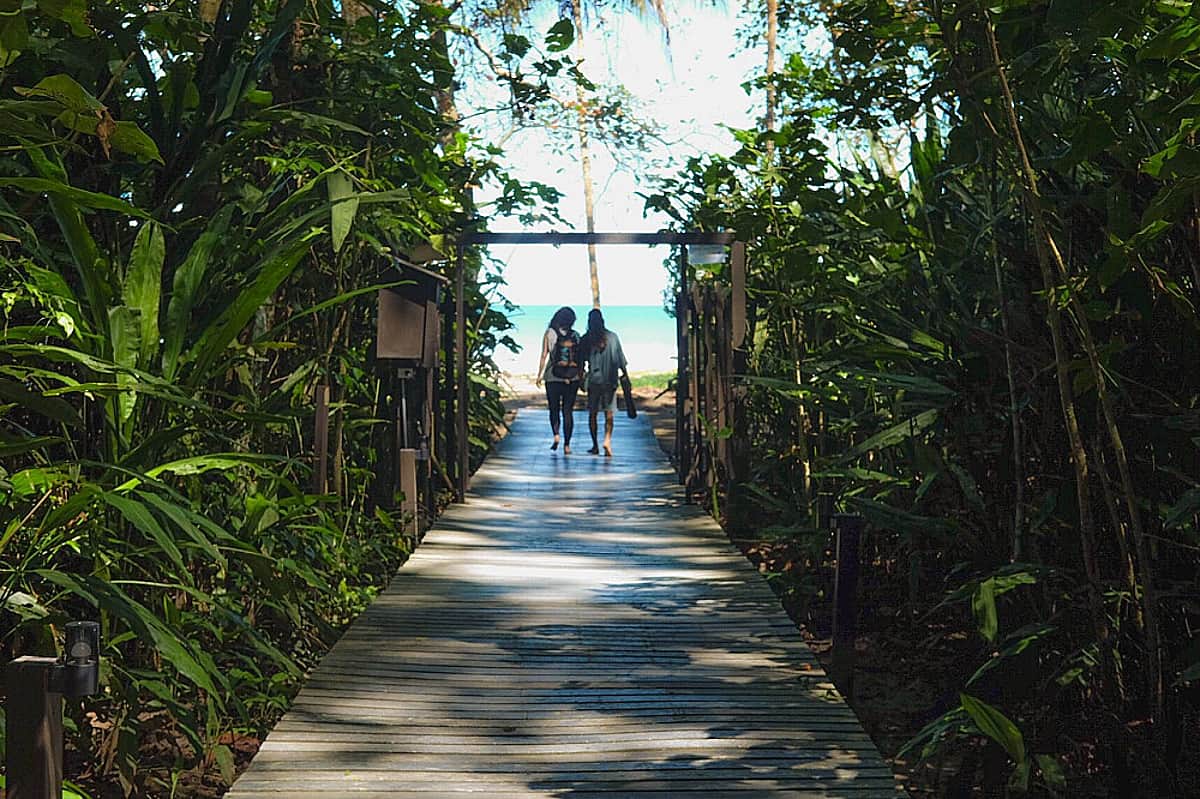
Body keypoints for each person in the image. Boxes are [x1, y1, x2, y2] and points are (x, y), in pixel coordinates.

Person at [579, 308, 628, 457]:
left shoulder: (586, 338)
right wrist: (627, 377)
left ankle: (595, 445)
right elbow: (621, 361)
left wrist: (581, 378)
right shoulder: (613, 337)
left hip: (594, 380)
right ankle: (607, 440)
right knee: (609, 412)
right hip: (610, 380)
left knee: (592, 414)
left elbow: (580, 361)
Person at [535, 306, 582, 454]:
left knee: (554, 409)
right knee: (568, 411)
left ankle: (556, 436)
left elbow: (544, 355)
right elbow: (580, 358)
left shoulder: (549, 333)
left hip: (552, 377)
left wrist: (539, 374)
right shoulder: (576, 335)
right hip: (572, 377)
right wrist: (581, 374)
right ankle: (567, 445)